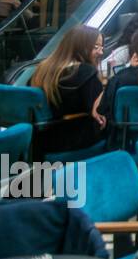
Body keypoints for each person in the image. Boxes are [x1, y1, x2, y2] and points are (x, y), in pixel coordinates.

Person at [29, 24, 105, 159]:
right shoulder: (85, 72)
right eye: (96, 47)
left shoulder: (42, 69)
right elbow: (100, 110)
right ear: (80, 46)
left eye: (101, 47)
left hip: (40, 142)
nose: (101, 52)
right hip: (74, 141)